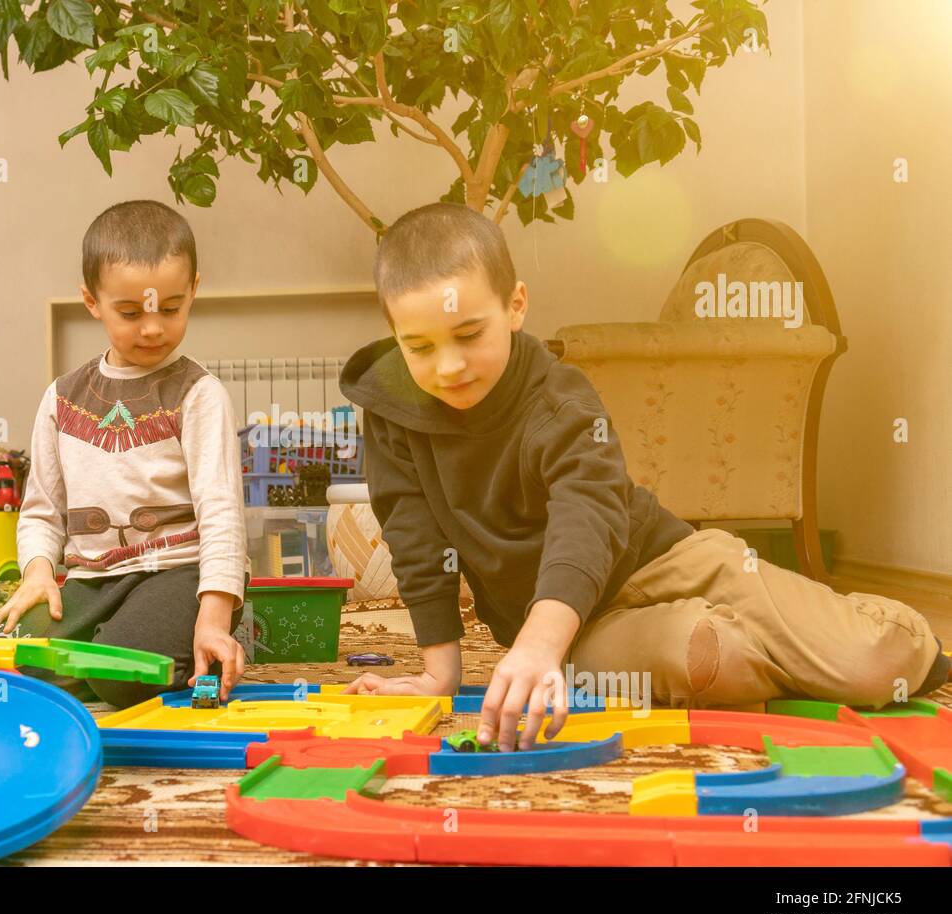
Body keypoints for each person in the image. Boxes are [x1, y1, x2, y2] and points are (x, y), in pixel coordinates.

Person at [339, 202, 949, 750]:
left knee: (875, 664)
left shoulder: (560, 397)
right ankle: (779, 650)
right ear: (395, 335)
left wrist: (538, 644)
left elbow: (588, 514)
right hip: (583, 630)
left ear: (516, 306)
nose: (448, 366)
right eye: (418, 347)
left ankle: (863, 635)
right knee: (714, 659)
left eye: (469, 335)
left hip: (664, 559)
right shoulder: (392, 409)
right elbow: (416, 538)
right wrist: (440, 673)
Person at [0, 200, 250, 709]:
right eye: (130, 313)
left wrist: (214, 615)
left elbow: (221, 513)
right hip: (93, 577)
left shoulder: (200, 393)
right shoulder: (61, 398)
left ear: (193, 288)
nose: (152, 329)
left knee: (121, 676)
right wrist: (38, 572)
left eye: (170, 309)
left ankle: (165, 646)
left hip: (181, 573)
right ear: (91, 301)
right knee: (7, 661)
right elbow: (41, 509)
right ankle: (105, 649)